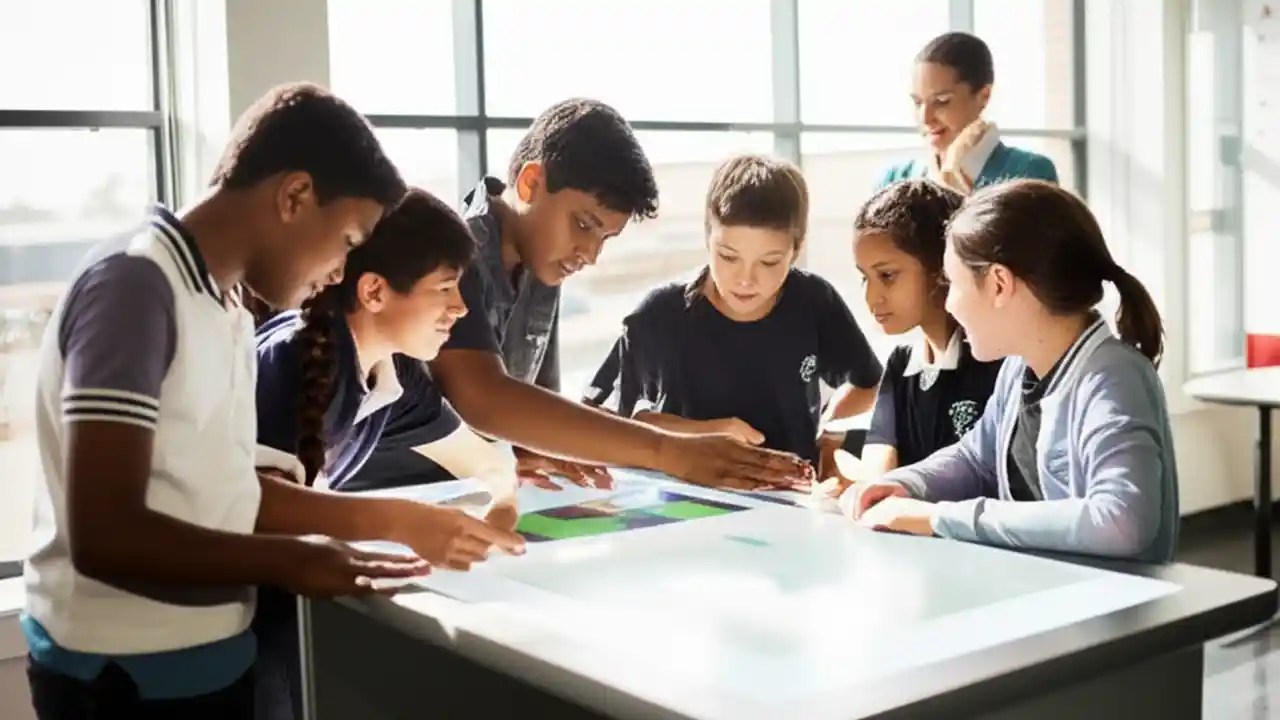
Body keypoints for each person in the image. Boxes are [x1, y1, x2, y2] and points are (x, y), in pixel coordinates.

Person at [22, 83, 521, 720]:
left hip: (206, 659)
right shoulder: (135, 286)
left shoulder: (225, 303)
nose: (341, 272)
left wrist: (386, 525)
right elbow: (104, 533)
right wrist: (295, 557)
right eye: (346, 240)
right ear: (294, 197)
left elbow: (227, 492)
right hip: (121, 676)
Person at [350, 98, 812, 493]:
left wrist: (535, 447)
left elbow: (534, 403)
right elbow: (483, 398)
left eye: (605, 238)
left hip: (464, 489)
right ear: (530, 183)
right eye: (584, 224)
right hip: (383, 495)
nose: (589, 254)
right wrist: (667, 450)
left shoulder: (542, 271)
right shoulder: (456, 252)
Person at [252, 186, 518, 719]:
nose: (461, 308)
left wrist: (502, 510)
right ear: (373, 291)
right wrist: (400, 522)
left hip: (281, 623)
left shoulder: (395, 377)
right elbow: (252, 506)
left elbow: (490, 461)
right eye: (445, 287)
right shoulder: (295, 359)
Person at [844, 180, 1179, 563]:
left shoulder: (1114, 377)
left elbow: (1121, 522)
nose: (949, 305)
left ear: (1000, 284)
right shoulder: (1018, 372)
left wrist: (938, 517)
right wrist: (900, 485)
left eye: (952, 285)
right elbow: (974, 459)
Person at [583, 155, 881, 479]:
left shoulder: (814, 301)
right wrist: (713, 431)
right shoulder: (659, 315)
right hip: (683, 495)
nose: (745, 280)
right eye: (728, 257)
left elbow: (868, 381)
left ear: (796, 250)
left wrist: (830, 435)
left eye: (769, 262)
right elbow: (611, 423)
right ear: (707, 237)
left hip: (789, 494)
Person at [828, 179, 1001, 490]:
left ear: (942, 268)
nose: (871, 298)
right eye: (864, 277)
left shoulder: (998, 364)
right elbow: (878, 474)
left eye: (887, 276)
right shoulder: (900, 367)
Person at [879, 32, 1058, 194]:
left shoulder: (1029, 173)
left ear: (983, 96)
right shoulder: (895, 179)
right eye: (918, 102)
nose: (925, 118)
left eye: (941, 101)